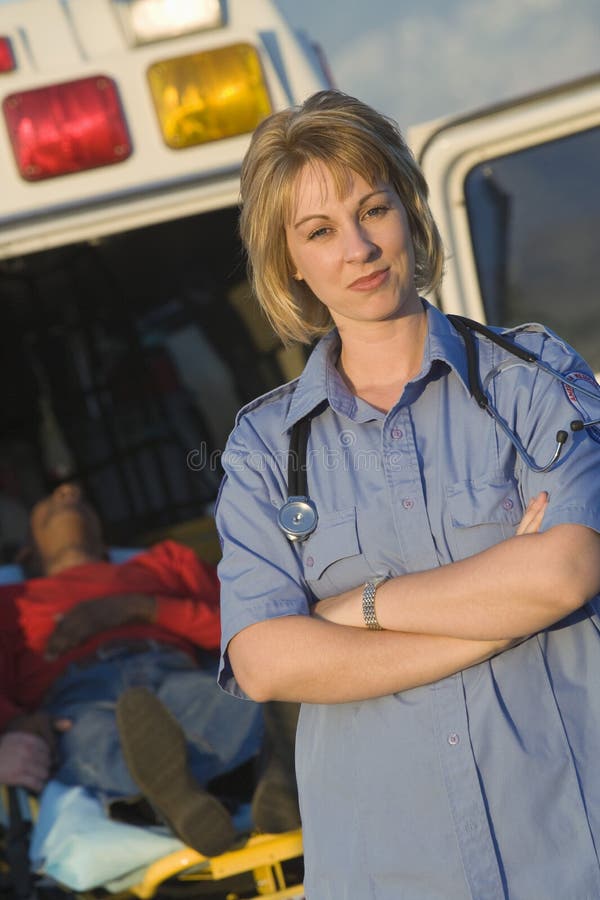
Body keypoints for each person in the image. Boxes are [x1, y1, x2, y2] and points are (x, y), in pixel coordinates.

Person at [215, 89, 600, 899]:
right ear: (289, 262)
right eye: (320, 231)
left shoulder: (529, 377)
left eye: (373, 210)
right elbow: (262, 659)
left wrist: (355, 609)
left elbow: (564, 575)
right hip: (386, 872)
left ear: (409, 209)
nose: (358, 248)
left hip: (570, 852)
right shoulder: (261, 450)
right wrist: (493, 623)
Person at [0, 483, 300, 857]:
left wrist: (144, 608)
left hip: (176, 672)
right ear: (28, 551)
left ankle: (258, 787)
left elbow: (240, 631)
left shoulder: (165, 563)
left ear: (103, 536)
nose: (68, 491)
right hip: (76, 698)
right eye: (50, 503)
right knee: (92, 741)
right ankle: (193, 800)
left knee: (237, 706)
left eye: (81, 500)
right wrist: (14, 723)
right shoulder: (11, 602)